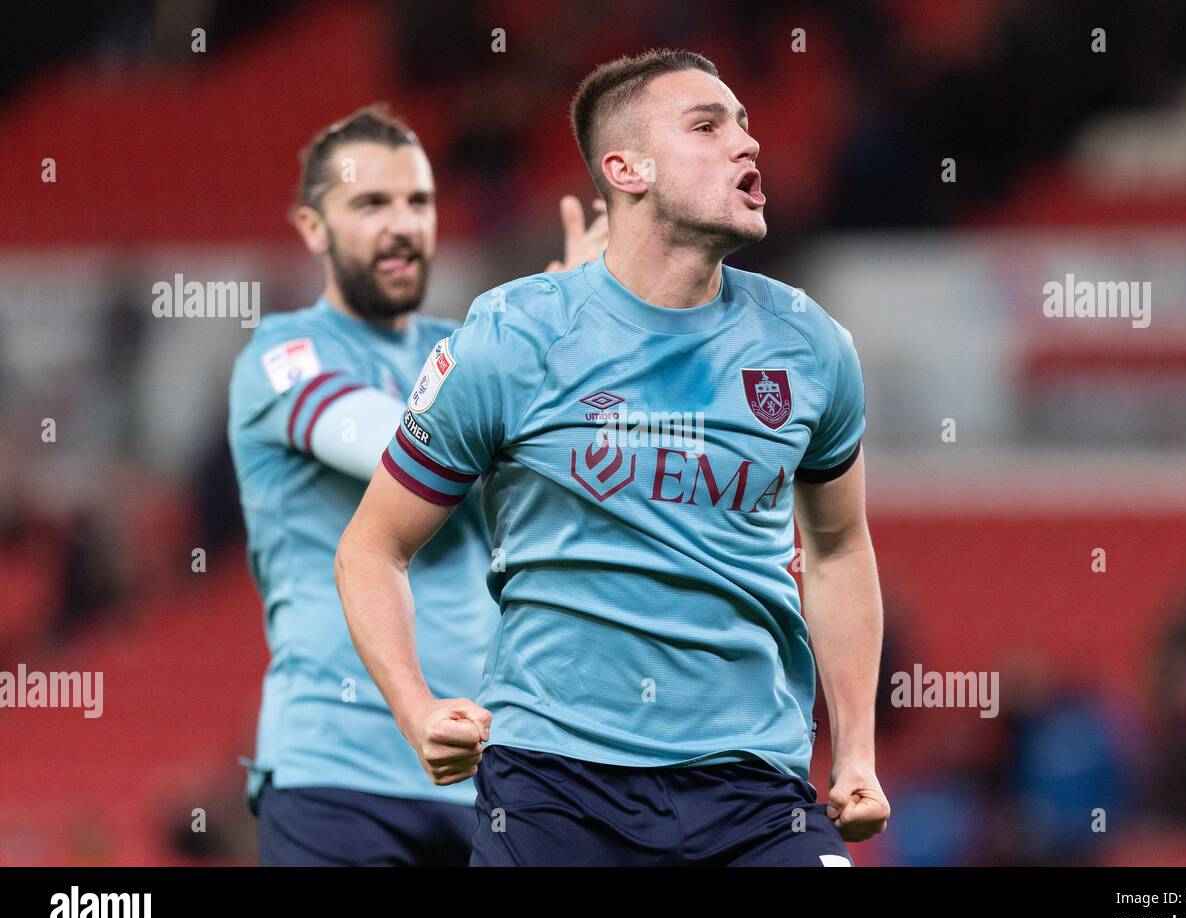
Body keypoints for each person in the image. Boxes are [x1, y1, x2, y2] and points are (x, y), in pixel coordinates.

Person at [336, 51, 889, 866]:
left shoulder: (810, 345)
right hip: (554, 792)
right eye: (707, 126)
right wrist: (416, 708)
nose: (747, 145)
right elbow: (371, 547)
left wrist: (856, 756)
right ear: (624, 169)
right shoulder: (512, 337)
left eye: (745, 124)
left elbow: (839, 547)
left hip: (754, 791)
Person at [228, 105, 607, 865]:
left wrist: (585, 336)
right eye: (370, 204)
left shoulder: (467, 350)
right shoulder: (284, 355)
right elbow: (397, 444)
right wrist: (547, 358)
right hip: (337, 776)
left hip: (487, 773)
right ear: (312, 225)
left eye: (418, 202)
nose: (402, 225)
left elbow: (585, 473)